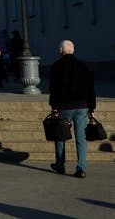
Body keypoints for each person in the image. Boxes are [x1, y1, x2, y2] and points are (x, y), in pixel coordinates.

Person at [49, 39, 96, 178]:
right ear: (73, 50)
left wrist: (54, 107)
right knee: (80, 137)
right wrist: (91, 107)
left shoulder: (56, 66)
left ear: (60, 51)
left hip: (64, 107)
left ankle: (60, 164)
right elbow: (90, 88)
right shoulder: (83, 65)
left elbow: (54, 89)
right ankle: (81, 168)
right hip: (82, 106)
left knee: (60, 135)